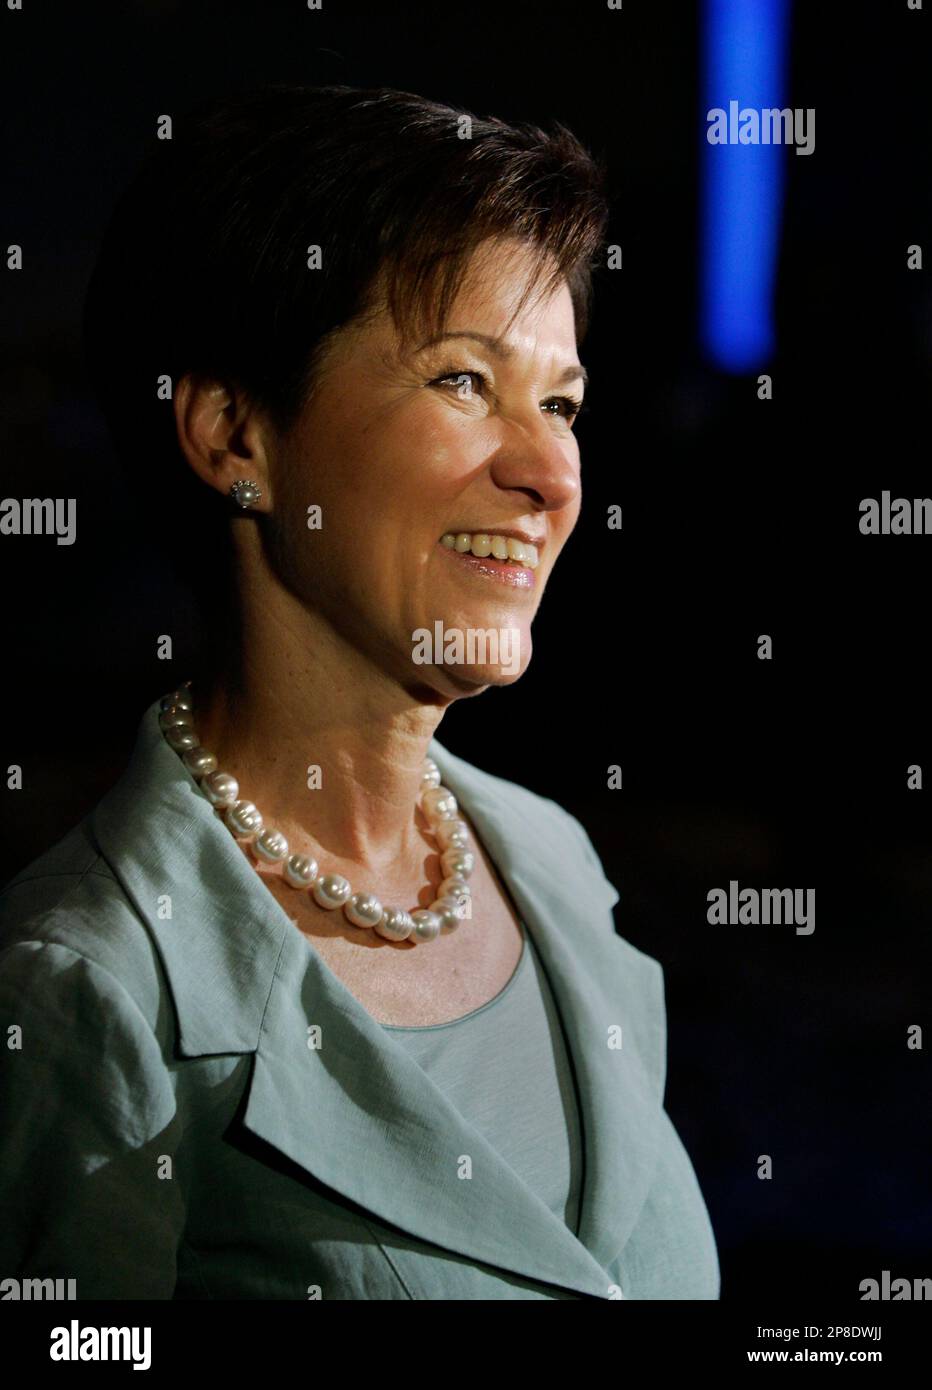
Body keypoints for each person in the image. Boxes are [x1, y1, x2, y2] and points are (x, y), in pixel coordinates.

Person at [0, 83, 719, 1299]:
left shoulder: (558, 869)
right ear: (235, 435)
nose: (547, 471)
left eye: (559, 403)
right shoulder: (83, 985)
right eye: (460, 381)